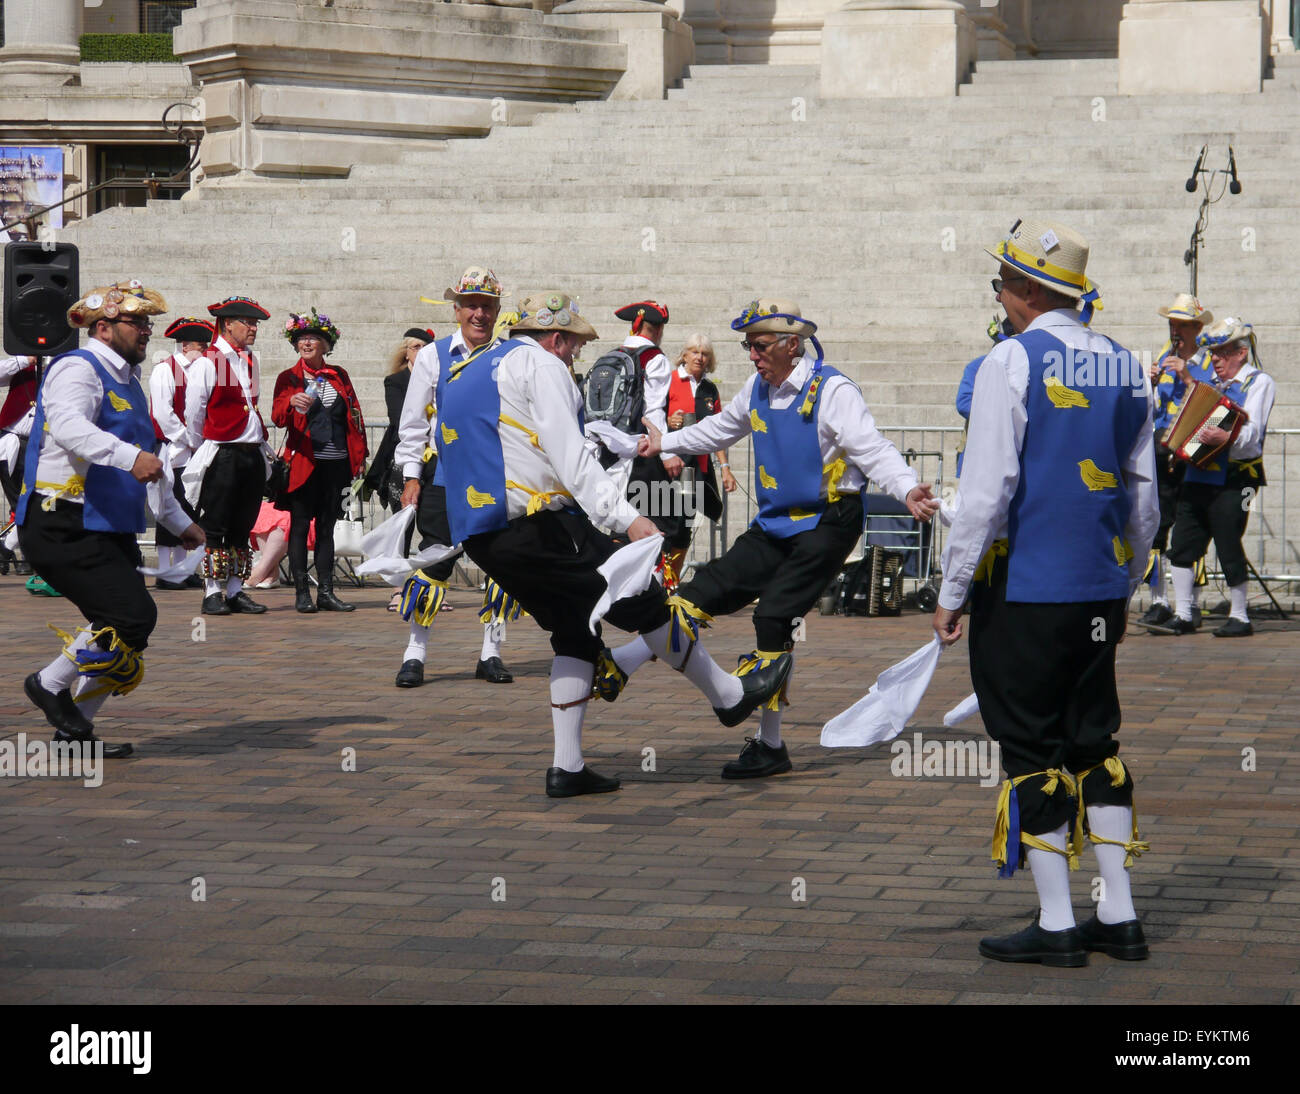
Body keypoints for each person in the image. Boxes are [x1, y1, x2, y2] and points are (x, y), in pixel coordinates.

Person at [435, 291, 792, 797]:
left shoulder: (468, 368)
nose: (576, 357)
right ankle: (728, 696)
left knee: (575, 632)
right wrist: (626, 519)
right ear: (554, 338)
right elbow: (571, 458)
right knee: (644, 600)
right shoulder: (542, 365)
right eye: (574, 347)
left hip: (484, 535)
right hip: (537, 526)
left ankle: (568, 767)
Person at [933, 218, 1159, 967]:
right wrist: (1126, 581)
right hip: (1095, 586)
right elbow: (1141, 494)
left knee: (1031, 744)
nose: (997, 294)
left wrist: (953, 586)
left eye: (1001, 281)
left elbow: (988, 485)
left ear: (1027, 290)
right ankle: (1119, 914)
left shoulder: (1011, 360)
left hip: (1028, 587)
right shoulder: (1128, 365)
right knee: (1096, 740)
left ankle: (1059, 922)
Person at [634, 298, 938, 780]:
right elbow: (718, 430)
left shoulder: (832, 390)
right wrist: (662, 442)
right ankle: (624, 668)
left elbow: (872, 447)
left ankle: (768, 742)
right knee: (701, 590)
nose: (751, 355)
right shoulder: (758, 387)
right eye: (747, 345)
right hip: (776, 522)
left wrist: (905, 487)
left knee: (774, 615)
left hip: (828, 521)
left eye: (758, 345)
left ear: (791, 345)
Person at [16, 280, 205, 758]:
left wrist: (180, 522)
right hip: (63, 521)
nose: (146, 331)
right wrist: (126, 456)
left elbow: (152, 464)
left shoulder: (129, 382)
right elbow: (70, 427)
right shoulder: (77, 368)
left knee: (129, 629)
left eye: (147, 323)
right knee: (130, 614)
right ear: (103, 327)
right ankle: (48, 684)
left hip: (107, 523)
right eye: (137, 322)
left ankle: (74, 731)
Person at [392, 268, 520, 688]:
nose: (479, 314)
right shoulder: (433, 354)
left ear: (497, 310)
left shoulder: (511, 354)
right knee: (434, 561)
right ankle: (415, 653)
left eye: (487, 306)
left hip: (496, 479)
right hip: (445, 475)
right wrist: (411, 475)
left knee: (501, 568)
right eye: (471, 306)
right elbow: (411, 424)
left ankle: (492, 652)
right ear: (457, 310)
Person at [1162, 318, 1275, 637]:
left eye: (1222, 354)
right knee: (1182, 542)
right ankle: (1184, 614)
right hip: (1199, 474)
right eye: (1212, 355)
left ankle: (1240, 616)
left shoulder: (1258, 382)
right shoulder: (1207, 383)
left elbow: (1253, 435)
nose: (1215, 361)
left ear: (1241, 353)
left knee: (1228, 541)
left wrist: (1224, 437)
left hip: (1239, 478)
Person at [271, 309, 368, 613]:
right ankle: (302, 593)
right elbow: (277, 417)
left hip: (336, 463)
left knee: (328, 528)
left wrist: (359, 455)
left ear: (326, 345)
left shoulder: (339, 375)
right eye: (302, 338)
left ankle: (326, 591)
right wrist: (290, 402)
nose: (307, 343)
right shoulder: (288, 378)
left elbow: (354, 416)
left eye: (313, 338)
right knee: (300, 526)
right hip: (304, 464)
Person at [184, 295, 273, 616]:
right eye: (247, 323)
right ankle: (212, 591)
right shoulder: (208, 361)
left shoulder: (249, 359)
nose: (253, 329)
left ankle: (235, 590)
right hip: (223, 451)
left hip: (250, 451)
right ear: (227, 325)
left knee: (243, 523)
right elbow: (194, 411)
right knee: (217, 523)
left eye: (255, 324)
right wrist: (204, 444)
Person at [1140, 293, 1214, 628]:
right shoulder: (1163, 355)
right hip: (1162, 448)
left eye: (1182, 325)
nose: (1176, 331)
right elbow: (1154, 409)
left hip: (1193, 451)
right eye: (1172, 324)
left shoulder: (1209, 361)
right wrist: (1151, 384)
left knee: (1192, 526)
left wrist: (1187, 376)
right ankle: (1159, 601)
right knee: (1158, 525)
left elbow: (1214, 404)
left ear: (1197, 328)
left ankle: (1192, 603)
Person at [661, 334, 737, 589]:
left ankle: (670, 584)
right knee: (669, 525)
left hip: (697, 470)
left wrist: (725, 468)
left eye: (704, 354)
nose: (699, 357)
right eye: (694, 352)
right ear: (684, 355)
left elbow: (719, 432)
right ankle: (658, 582)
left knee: (685, 526)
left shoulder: (709, 389)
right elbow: (651, 416)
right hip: (671, 466)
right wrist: (669, 422)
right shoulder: (669, 381)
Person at [149, 316, 214, 590]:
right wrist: (189, 438)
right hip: (173, 448)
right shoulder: (165, 370)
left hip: (195, 449)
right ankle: (166, 571)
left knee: (189, 509)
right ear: (186, 345)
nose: (206, 350)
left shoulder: (201, 369)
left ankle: (183, 568)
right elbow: (163, 412)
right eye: (201, 345)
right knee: (169, 506)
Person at [616, 300, 686, 543]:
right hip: (644, 451)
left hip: (616, 453)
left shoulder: (616, 354)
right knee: (662, 524)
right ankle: (652, 580)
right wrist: (667, 454)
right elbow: (654, 409)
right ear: (657, 329)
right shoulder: (653, 358)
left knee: (625, 523)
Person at [0, 352, 40, 575]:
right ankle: (20, 553)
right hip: (14, 440)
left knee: (33, 502)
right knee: (21, 503)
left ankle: (9, 549)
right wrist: (25, 360)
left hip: (42, 446)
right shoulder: (22, 365)